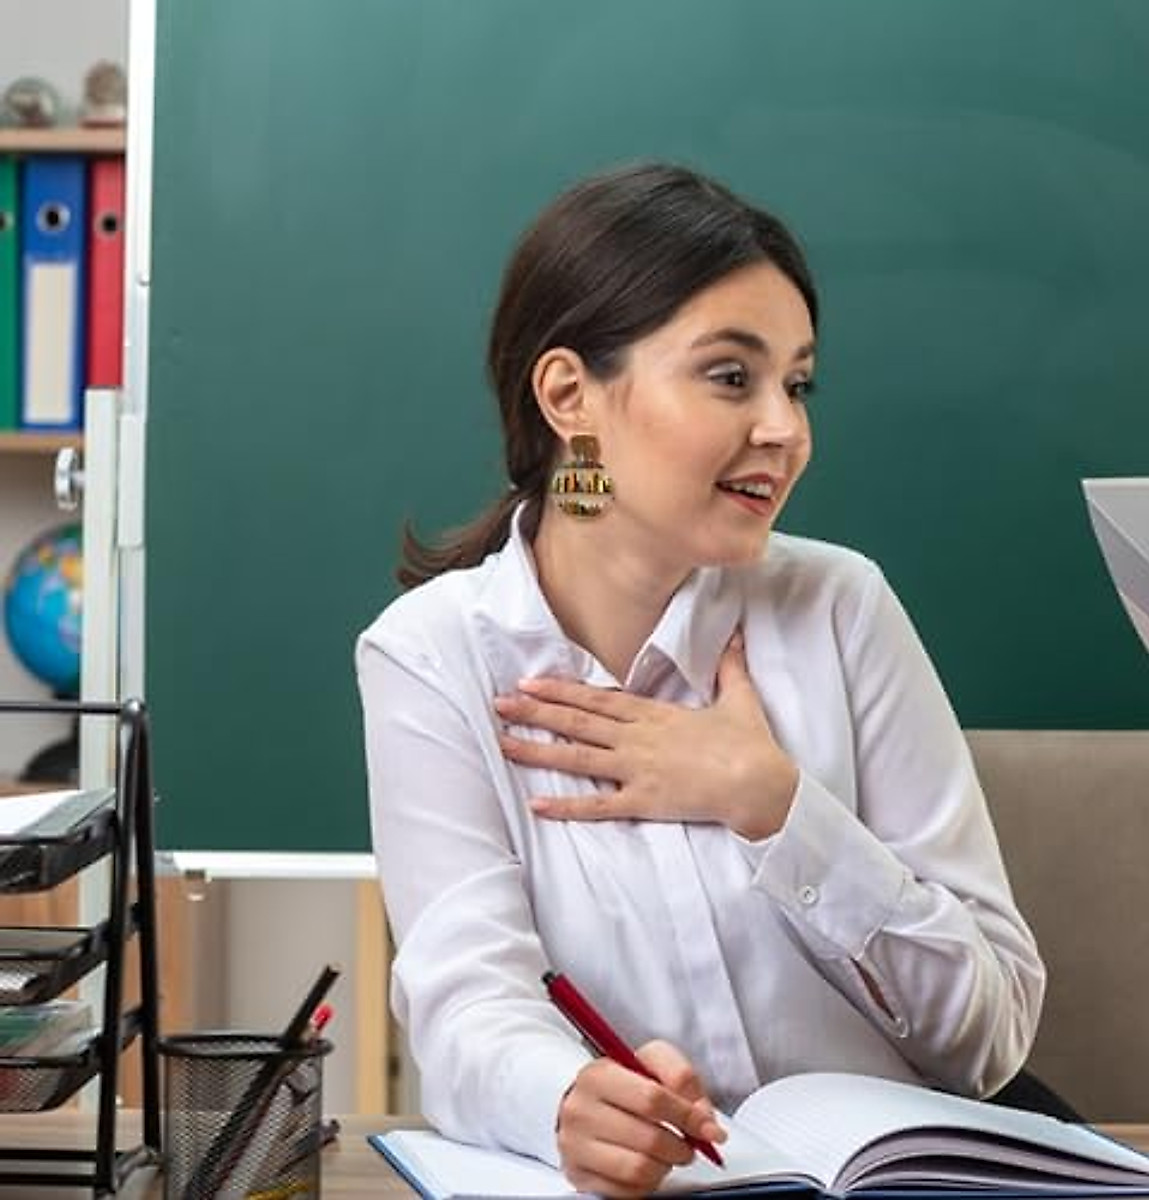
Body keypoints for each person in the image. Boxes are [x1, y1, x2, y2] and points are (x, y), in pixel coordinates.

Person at [357, 162, 1046, 1198]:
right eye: (732, 377)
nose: (786, 430)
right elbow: (467, 1006)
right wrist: (568, 1101)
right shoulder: (433, 654)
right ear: (570, 396)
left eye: (797, 384)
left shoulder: (842, 607)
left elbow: (989, 1038)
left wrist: (775, 806)